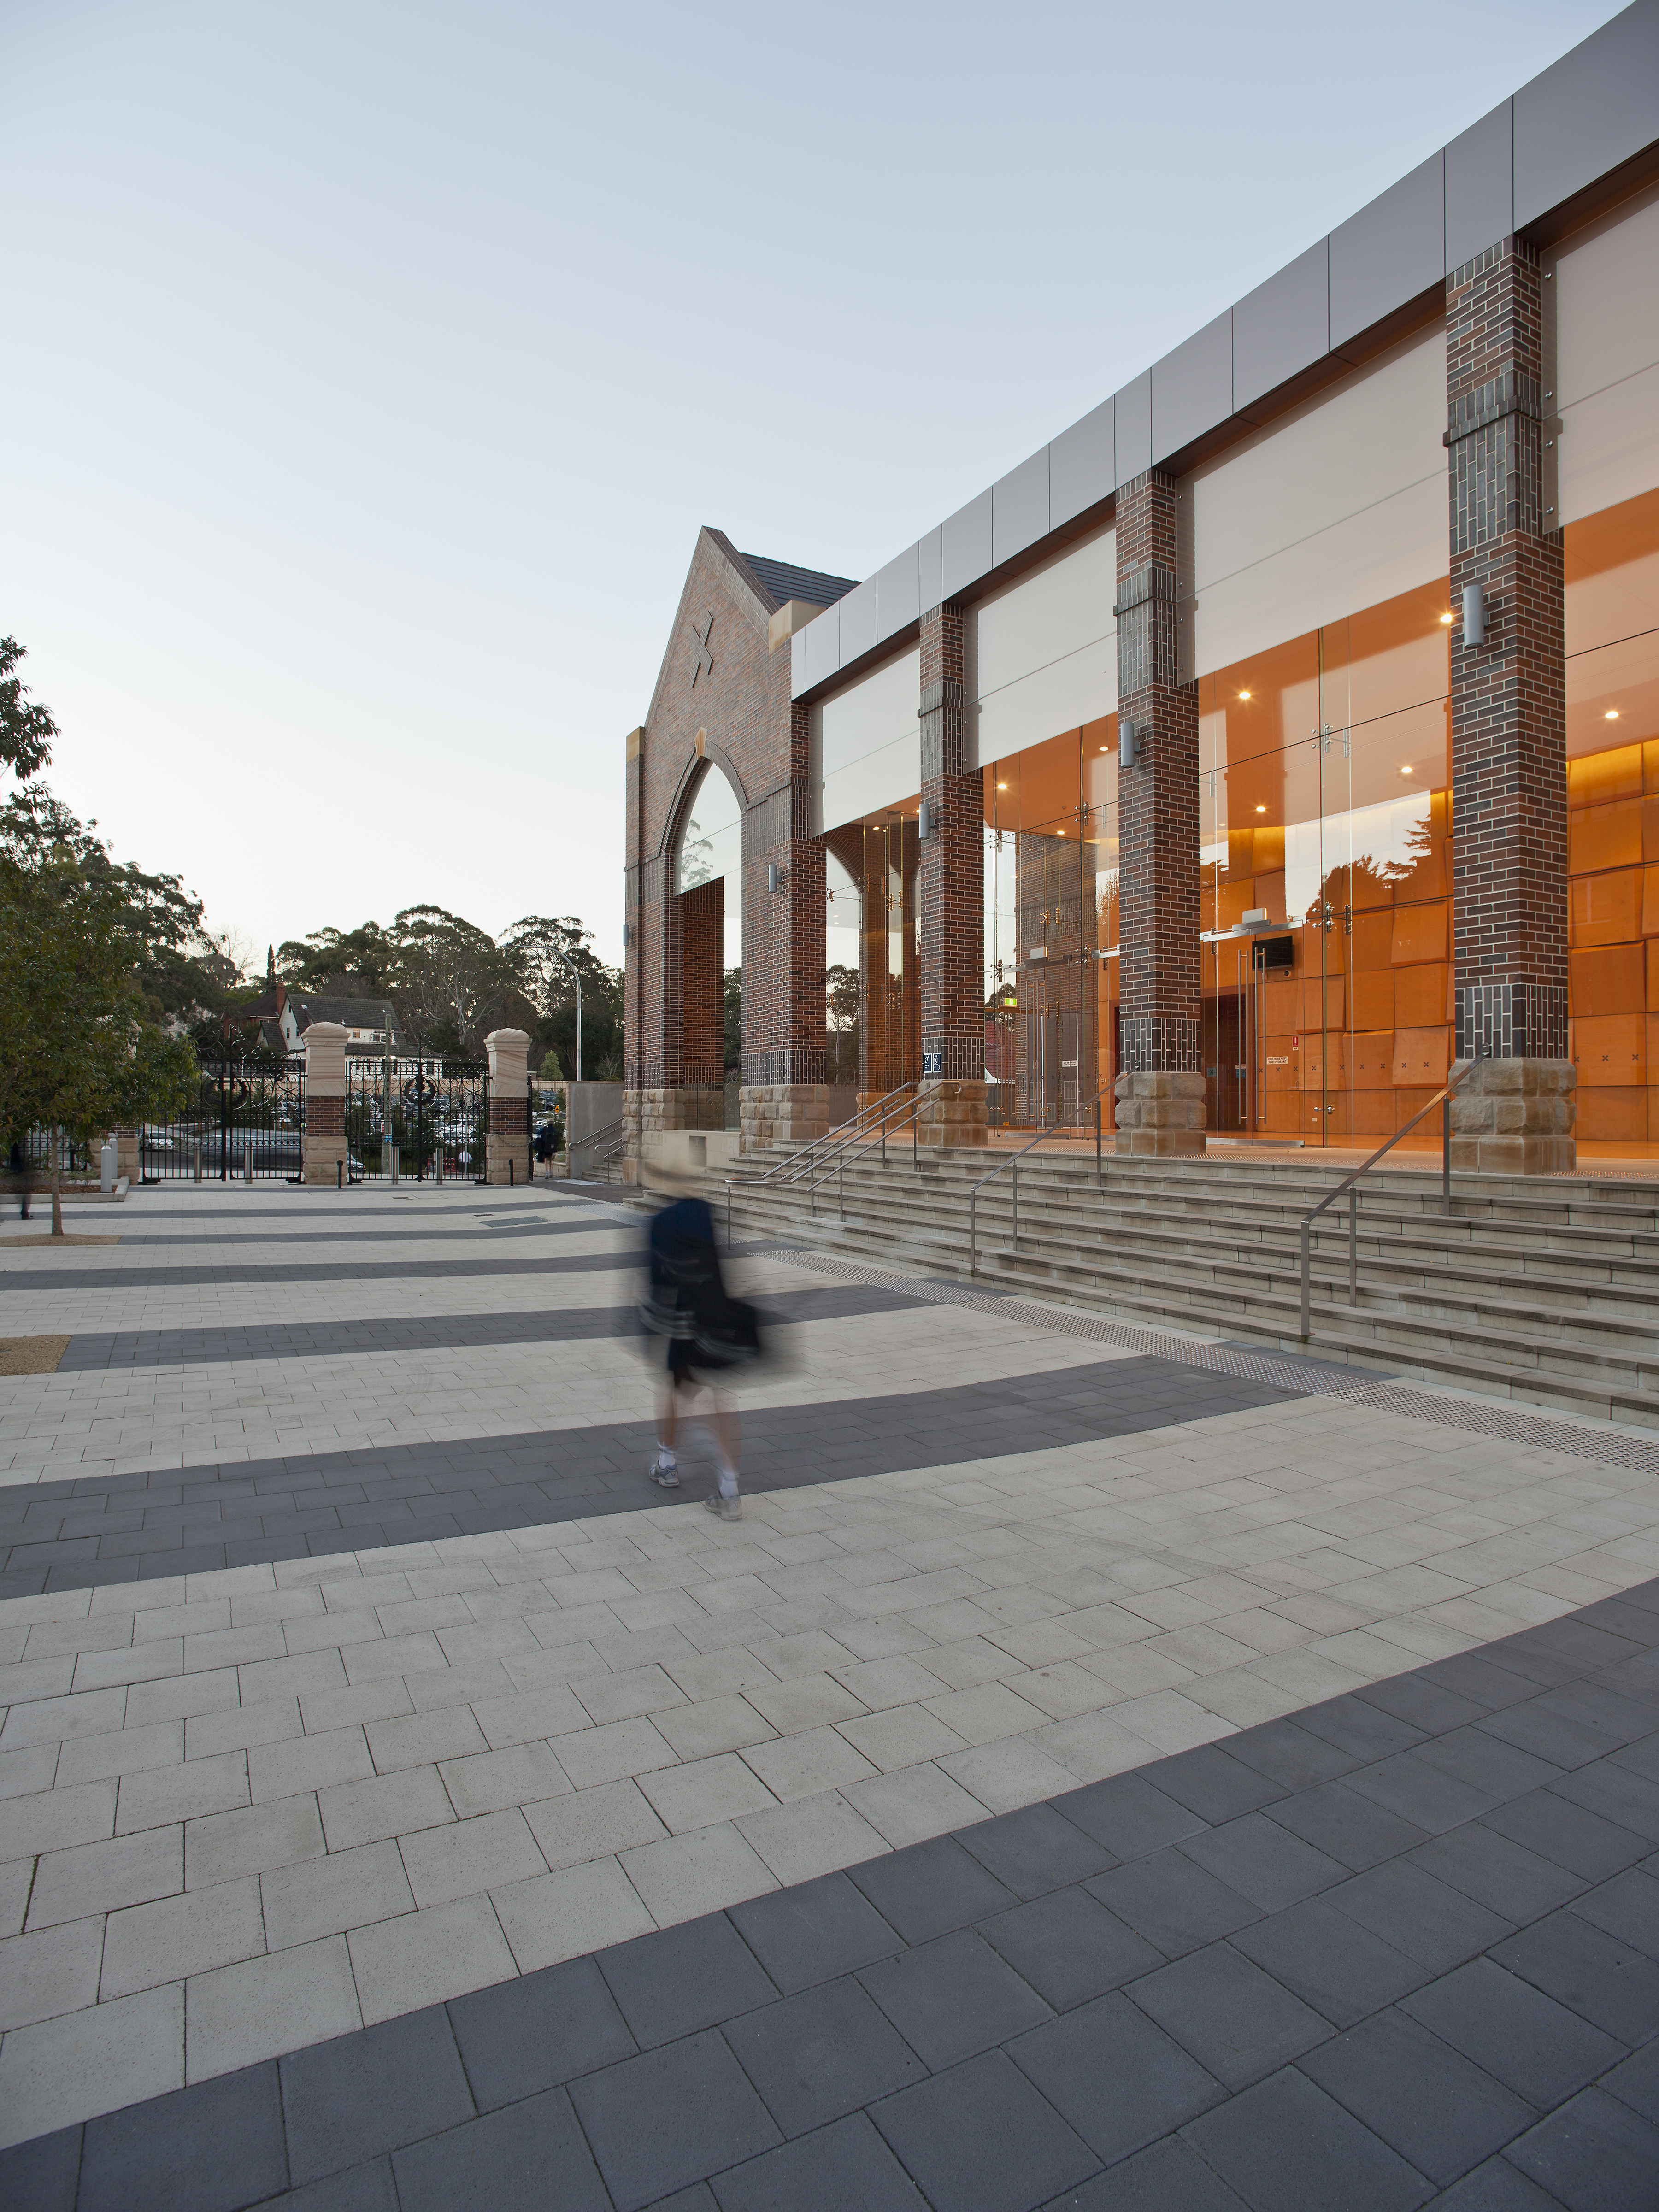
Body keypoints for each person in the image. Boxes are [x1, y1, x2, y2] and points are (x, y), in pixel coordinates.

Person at [641, 1177, 745, 1520]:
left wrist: (648, 1332)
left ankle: (667, 1462)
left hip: (680, 1320)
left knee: (675, 1388)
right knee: (718, 1396)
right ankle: (730, 1490)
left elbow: (656, 1280)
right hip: (714, 1316)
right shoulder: (706, 1213)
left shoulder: (660, 1221)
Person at [8, 1139, 32, 1221]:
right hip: (21, 1174)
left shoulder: (17, 1150)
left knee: (25, 1195)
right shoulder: (18, 1150)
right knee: (25, 1195)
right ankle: (25, 1213)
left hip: (20, 1173)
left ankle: (25, 1212)